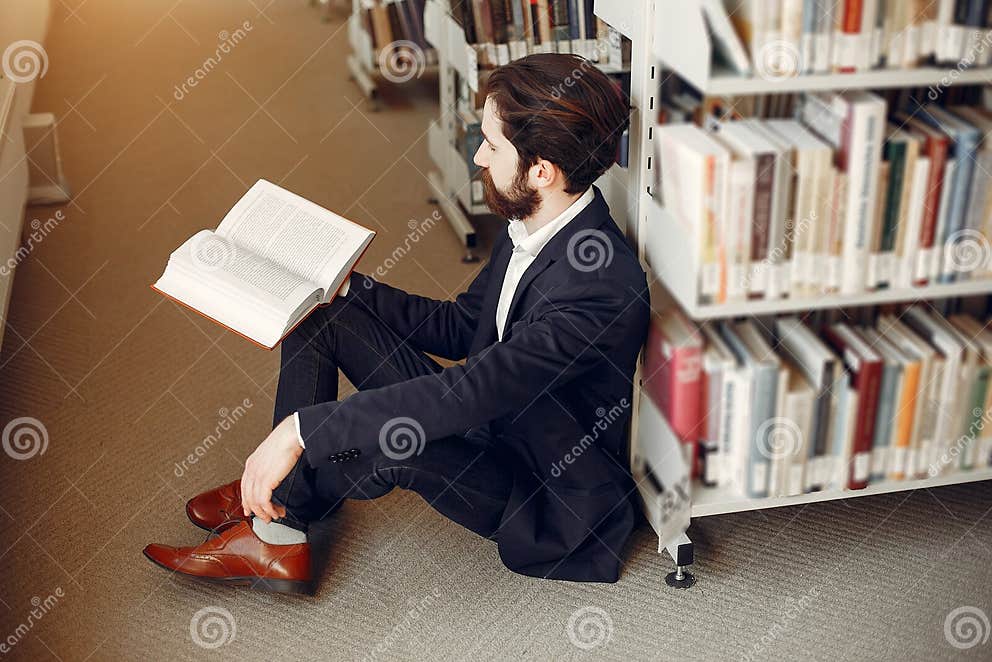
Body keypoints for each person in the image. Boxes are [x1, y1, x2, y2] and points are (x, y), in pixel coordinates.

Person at [143, 52, 651, 594]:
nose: (478, 156)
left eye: (492, 145)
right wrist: (345, 285)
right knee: (323, 315)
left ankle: (276, 518)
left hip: (542, 490)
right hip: (494, 420)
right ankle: (284, 505)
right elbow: (463, 325)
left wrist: (298, 431)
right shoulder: (544, 219)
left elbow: (470, 392)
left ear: (541, 171)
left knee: (394, 442)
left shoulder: (597, 289)